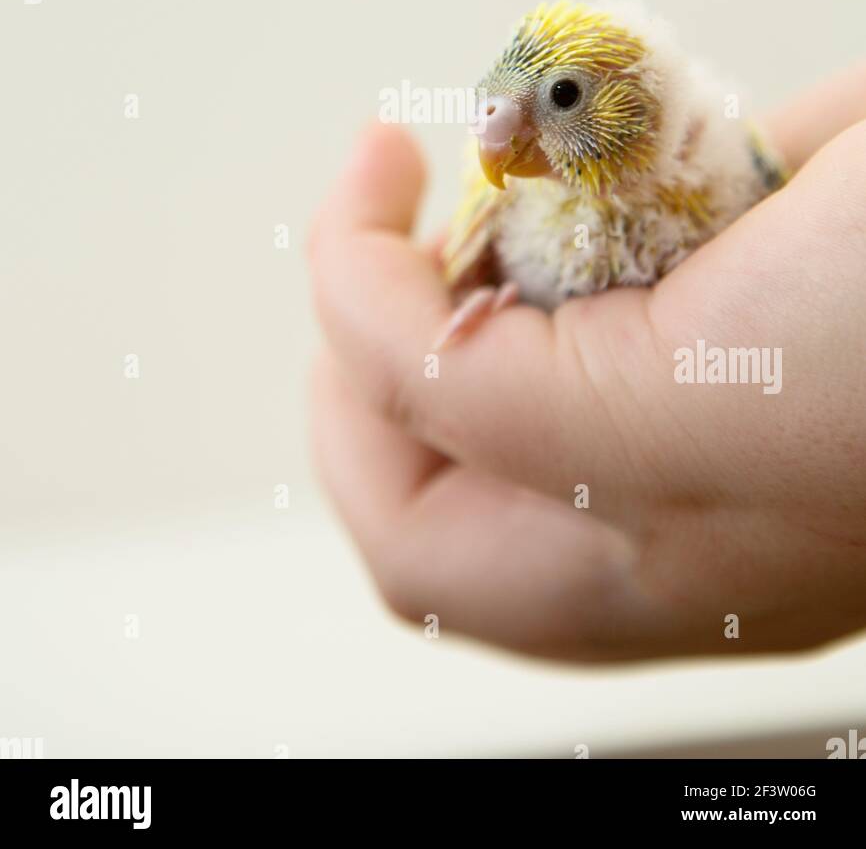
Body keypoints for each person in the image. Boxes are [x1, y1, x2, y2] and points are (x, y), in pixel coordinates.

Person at [308, 64, 866, 661]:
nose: (503, 145)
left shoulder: (720, 154)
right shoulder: (514, 202)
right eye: (493, 113)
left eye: (564, 97)